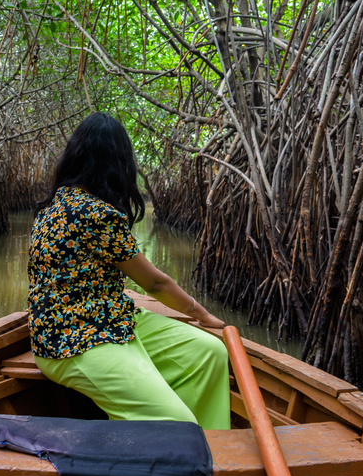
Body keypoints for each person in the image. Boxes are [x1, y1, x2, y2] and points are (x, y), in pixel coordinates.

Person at [27, 112, 230, 430]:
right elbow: (155, 283)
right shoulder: (99, 214)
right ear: (118, 163)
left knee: (208, 352)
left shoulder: (53, 205)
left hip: (111, 318)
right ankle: (182, 445)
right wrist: (203, 316)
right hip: (73, 339)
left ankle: (208, 451)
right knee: (174, 422)